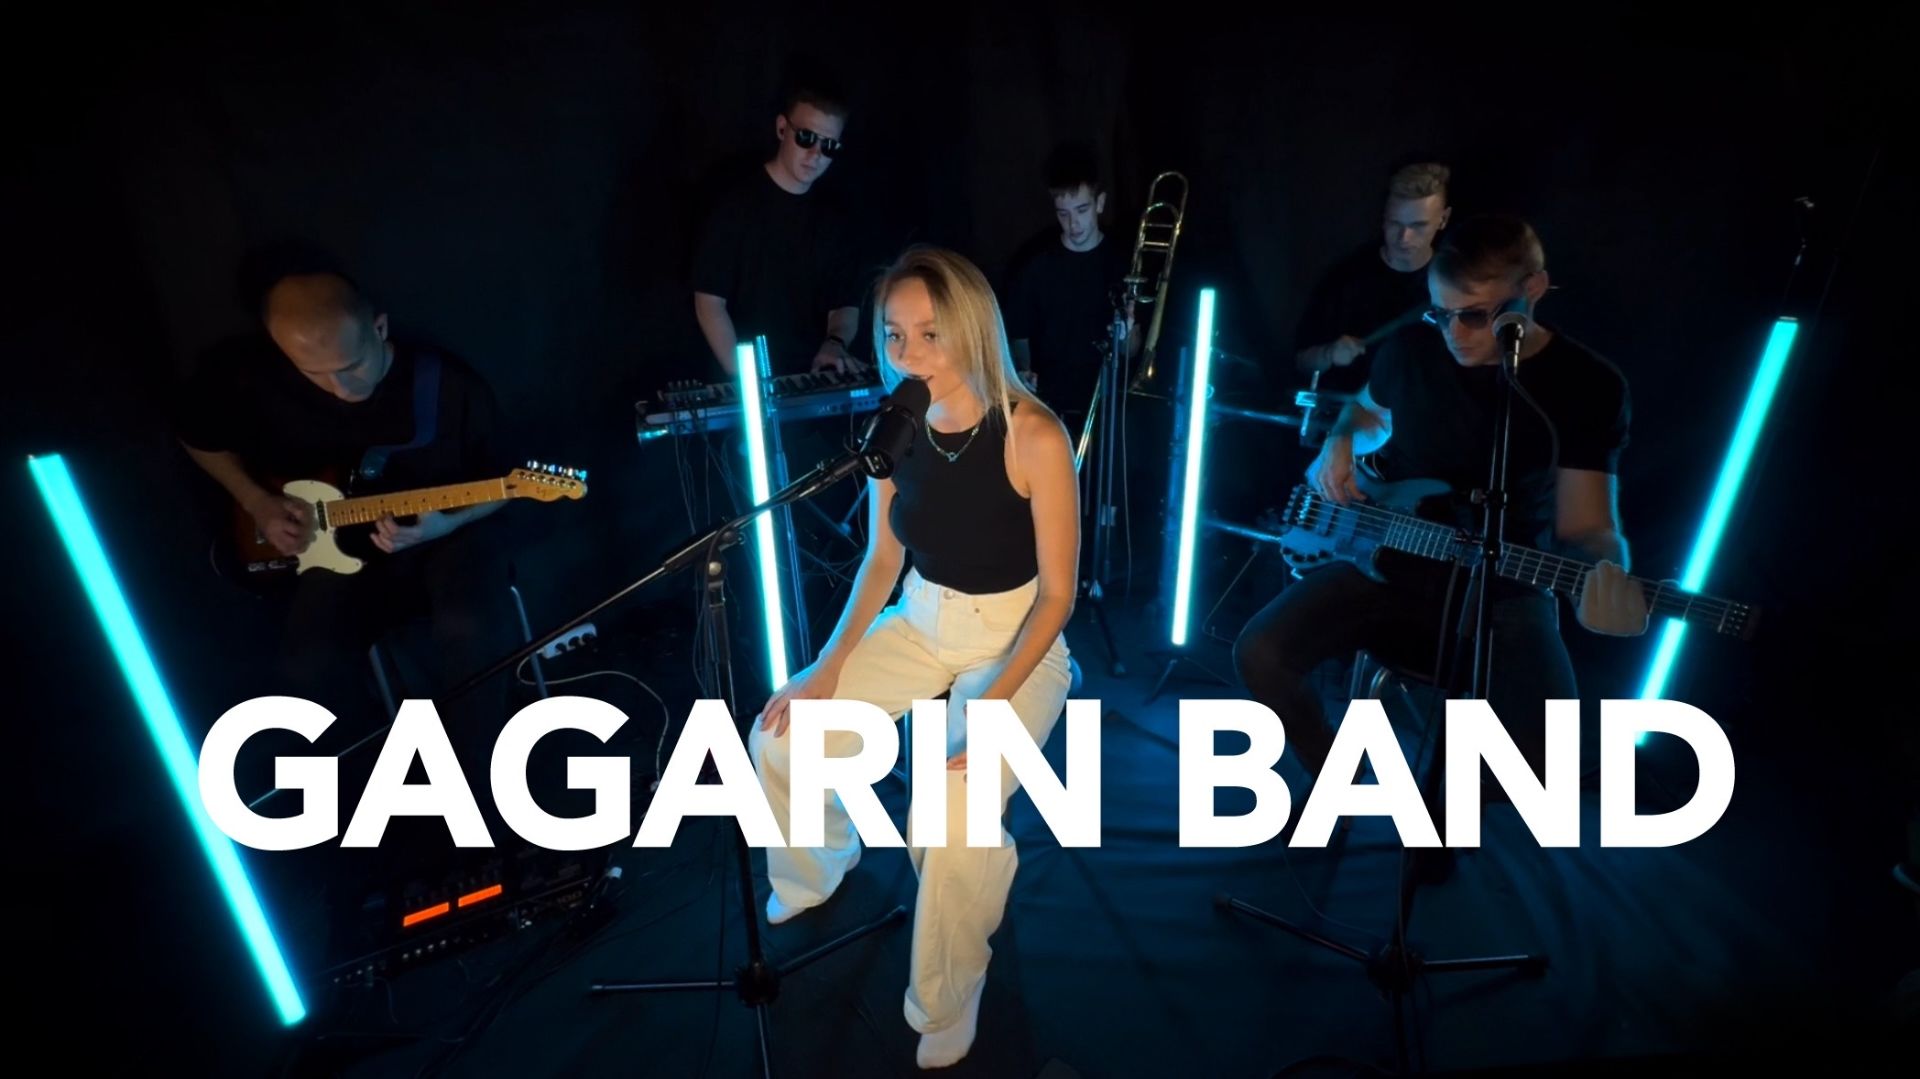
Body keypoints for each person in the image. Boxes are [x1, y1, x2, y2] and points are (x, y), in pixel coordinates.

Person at [1234, 214, 1650, 869]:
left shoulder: (1587, 385)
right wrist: (1340, 440)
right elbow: (1366, 408)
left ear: (1533, 289)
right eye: (1440, 313)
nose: (1453, 333)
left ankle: (1439, 810)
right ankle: (1336, 783)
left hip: (1503, 585)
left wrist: (1604, 577)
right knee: (1259, 651)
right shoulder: (1413, 348)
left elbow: (1587, 527)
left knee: (1545, 752)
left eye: (1476, 315)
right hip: (1389, 561)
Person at [748, 246, 1079, 1068]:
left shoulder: (1034, 432)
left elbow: (1058, 596)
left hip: (1018, 641)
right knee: (782, 731)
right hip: (923, 617)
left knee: (951, 815)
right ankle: (819, 865)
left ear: (972, 328)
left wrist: (990, 706)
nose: (908, 354)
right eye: (894, 335)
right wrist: (825, 666)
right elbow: (881, 560)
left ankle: (949, 992)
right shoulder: (893, 427)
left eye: (930, 334)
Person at [174, 270, 521, 889]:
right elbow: (197, 438)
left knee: (469, 629)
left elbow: (507, 482)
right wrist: (256, 501)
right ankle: (374, 812)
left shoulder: (446, 385)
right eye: (317, 374)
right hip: (337, 554)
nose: (341, 387)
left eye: (352, 366)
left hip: (445, 539)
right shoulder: (250, 380)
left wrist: (446, 523)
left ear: (379, 327)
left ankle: (474, 799)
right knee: (307, 664)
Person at [692, 72, 865, 378]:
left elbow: (845, 305)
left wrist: (834, 344)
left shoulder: (834, 218)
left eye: (829, 146)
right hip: (744, 382)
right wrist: (750, 382)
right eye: (806, 137)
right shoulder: (734, 204)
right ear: (782, 128)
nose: (815, 154)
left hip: (811, 380)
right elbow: (709, 303)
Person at [1003, 140, 1135, 426]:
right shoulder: (1034, 265)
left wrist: (1125, 335)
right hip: (1048, 408)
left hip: (1109, 409)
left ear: (1100, 203)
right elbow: (1018, 337)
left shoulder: (1123, 263)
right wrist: (1024, 371)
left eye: (1082, 210)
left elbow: (1134, 349)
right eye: (1063, 213)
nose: (1073, 224)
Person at [1292, 161, 1453, 393]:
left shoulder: (1455, 283)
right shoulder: (1346, 278)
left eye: (1418, 225)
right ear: (1384, 217)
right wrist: (1329, 354)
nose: (1404, 237)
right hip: (1349, 411)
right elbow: (1301, 362)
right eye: (1395, 223)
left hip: (1422, 412)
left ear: (1443, 219)